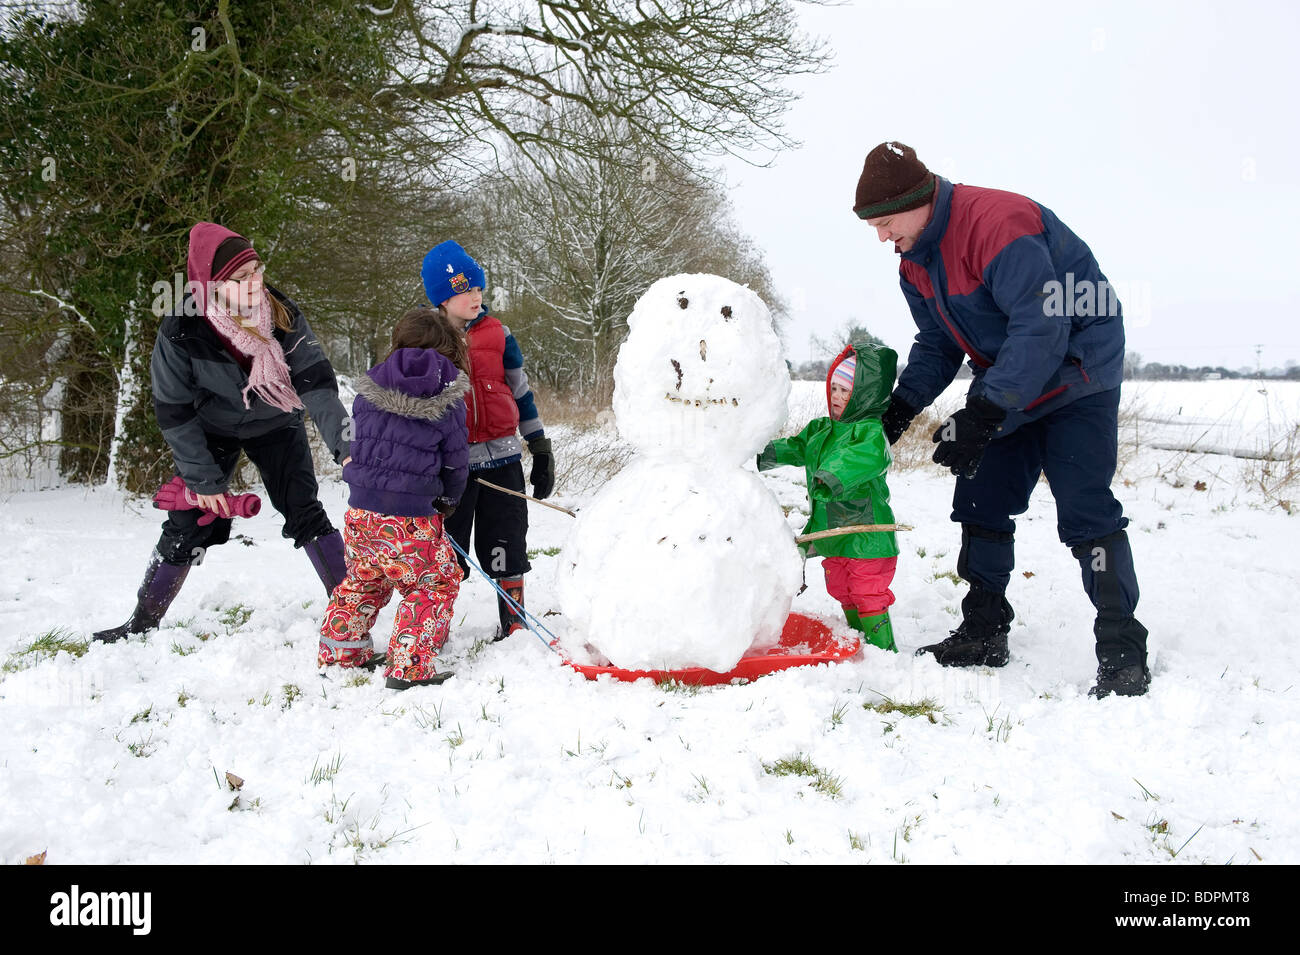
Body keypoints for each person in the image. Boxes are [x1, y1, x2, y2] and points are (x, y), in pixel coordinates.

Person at [853, 141, 1150, 698]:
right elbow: (938, 344)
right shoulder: (915, 264)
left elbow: (1043, 326)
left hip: (1077, 372)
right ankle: (984, 630)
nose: (882, 237)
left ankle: (1122, 645)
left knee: (1085, 507)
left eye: (887, 222)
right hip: (1013, 375)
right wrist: (898, 409)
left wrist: (984, 411)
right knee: (981, 496)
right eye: (874, 227)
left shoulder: (998, 223)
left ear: (919, 200)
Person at [93, 222, 351, 643]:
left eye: (257, 269)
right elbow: (173, 411)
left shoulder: (281, 313)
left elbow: (316, 382)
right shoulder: (182, 328)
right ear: (212, 284)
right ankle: (141, 624)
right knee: (187, 522)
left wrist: (346, 446)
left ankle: (352, 613)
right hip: (210, 429)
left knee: (304, 510)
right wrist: (202, 480)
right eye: (241, 276)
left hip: (275, 420)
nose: (255, 282)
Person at [318, 308, 469, 689]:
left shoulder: (369, 389)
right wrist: (450, 500)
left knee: (365, 577)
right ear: (447, 347)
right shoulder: (448, 393)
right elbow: (455, 461)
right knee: (435, 583)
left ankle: (342, 649)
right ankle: (409, 665)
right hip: (410, 518)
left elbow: (360, 442)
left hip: (362, 512)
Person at [420, 240, 555, 640]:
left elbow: (521, 392)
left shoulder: (499, 334)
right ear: (444, 299)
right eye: (466, 290)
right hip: (452, 466)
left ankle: (513, 623)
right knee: (448, 550)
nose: (476, 296)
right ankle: (433, 625)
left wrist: (540, 446)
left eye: (479, 288)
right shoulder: (425, 340)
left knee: (506, 541)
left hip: (503, 459)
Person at [758, 341, 901, 652]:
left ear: (864, 395)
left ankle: (883, 651)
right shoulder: (821, 430)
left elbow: (864, 459)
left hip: (866, 533)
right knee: (841, 589)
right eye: (834, 388)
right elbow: (795, 447)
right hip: (833, 532)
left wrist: (830, 478)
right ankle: (860, 640)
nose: (837, 397)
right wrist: (756, 453)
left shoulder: (870, 433)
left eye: (845, 391)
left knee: (867, 591)